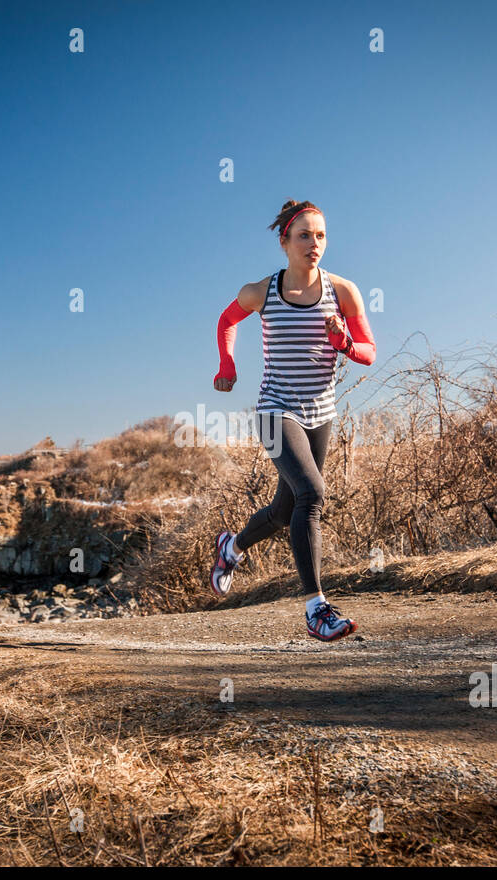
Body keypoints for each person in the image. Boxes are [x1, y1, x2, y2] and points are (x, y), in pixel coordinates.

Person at [209, 199, 376, 641]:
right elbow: (227, 319)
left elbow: (368, 352)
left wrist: (345, 344)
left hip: (320, 415)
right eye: (304, 235)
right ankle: (317, 609)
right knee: (313, 493)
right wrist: (227, 365)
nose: (314, 244)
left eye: (320, 235)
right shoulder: (262, 291)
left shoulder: (343, 291)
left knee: (287, 511)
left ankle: (233, 546)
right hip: (274, 411)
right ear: (284, 241)